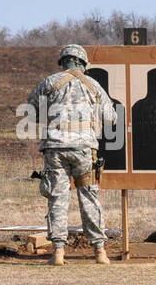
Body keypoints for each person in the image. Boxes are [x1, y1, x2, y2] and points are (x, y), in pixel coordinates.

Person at [26, 44, 115, 266]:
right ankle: (99, 252)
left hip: (55, 149)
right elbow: (110, 117)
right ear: (83, 63)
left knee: (57, 197)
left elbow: (29, 111)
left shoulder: (49, 82)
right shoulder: (93, 85)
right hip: (84, 150)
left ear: (63, 62)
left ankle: (58, 251)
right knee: (89, 198)